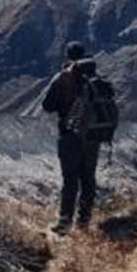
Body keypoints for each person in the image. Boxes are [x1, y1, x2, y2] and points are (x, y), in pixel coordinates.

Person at [41, 40, 101, 235]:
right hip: (93, 135)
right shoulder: (94, 78)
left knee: (70, 179)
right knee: (88, 178)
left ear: (68, 55)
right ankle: (84, 221)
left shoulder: (63, 78)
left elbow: (47, 105)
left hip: (70, 135)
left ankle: (65, 222)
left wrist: (63, 104)